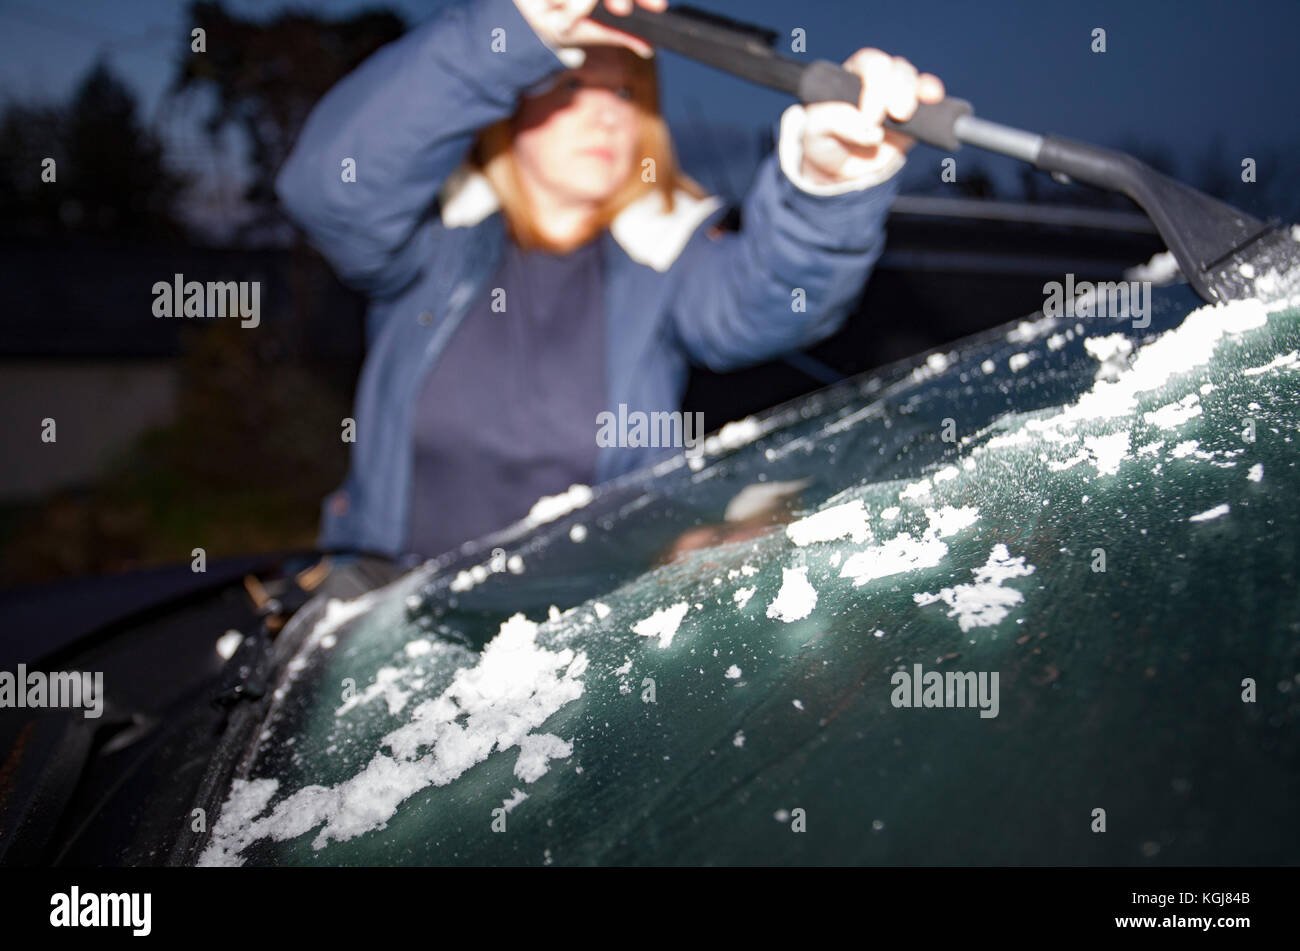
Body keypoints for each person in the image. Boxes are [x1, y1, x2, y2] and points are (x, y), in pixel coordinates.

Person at [276, 0, 945, 568]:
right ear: (510, 111)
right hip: (388, 608)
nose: (604, 115)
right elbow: (328, 189)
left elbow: (774, 306)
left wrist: (828, 184)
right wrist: (509, 29)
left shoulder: (664, 258)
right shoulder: (431, 241)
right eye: (570, 88)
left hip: (581, 627)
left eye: (624, 92)